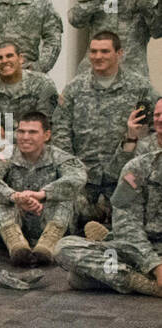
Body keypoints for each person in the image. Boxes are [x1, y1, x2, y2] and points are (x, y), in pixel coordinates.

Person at [52, 30, 159, 230]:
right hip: (84, 178)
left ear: (119, 54)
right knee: (64, 212)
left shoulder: (140, 88)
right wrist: (71, 168)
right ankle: (98, 222)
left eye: (104, 51)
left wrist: (137, 151)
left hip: (123, 176)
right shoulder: (75, 89)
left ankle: (108, 225)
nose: (97, 57)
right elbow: (60, 131)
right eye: (93, 51)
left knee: (136, 219)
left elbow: (156, 127)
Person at [56, 98, 162, 296]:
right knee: (65, 247)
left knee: (78, 278)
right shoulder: (140, 165)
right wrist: (154, 265)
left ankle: (104, 273)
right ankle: (139, 281)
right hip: (137, 250)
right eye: (157, 115)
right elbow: (127, 222)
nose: (160, 120)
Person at [0, 111, 86, 266]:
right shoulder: (5, 154)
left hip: (51, 221)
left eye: (33, 132)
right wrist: (14, 196)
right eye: (21, 131)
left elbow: (78, 177)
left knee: (69, 196)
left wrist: (43, 194)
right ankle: (17, 246)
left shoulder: (59, 156)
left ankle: (48, 245)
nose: (25, 137)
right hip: (14, 224)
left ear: (47, 135)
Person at [0, 41, 59, 194]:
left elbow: (47, 127)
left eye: (9, 56)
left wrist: (9, 135)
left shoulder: (42, 84)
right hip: (1, 146)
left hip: (37, 144)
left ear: (21, 58)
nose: (4, 61)